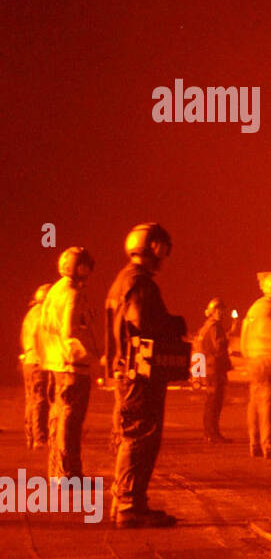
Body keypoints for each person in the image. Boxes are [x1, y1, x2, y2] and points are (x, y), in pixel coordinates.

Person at [106, 223, 187, 527]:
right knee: (141, 435)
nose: (165, 254)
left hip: (127, 371)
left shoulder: (123, 280)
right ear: (153, 247)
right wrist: (175, 324)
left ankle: (127, 501)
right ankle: (130, 505)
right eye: (163, 247)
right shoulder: (139, 282)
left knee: (132, 434)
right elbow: (143, 321)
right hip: (139, 373)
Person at [42, 247, 98, 479]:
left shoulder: (54, 291)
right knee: (71, 424)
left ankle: (58, 472)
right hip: (72, 366)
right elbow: (70, 331)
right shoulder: (73, 293)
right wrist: (95, 356)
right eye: (85, 266)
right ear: (79, 267)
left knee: (59, 420)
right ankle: (69, 476)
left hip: (56, 364)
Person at [240, 272, 271, 458]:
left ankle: (254, 443)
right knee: (268, 402)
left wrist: (248, 354)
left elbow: (245, 333)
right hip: (268, 359)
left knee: (254, 402)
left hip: (254, 359)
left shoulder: (255, 307)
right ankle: (269, 446)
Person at [20, 283, 54, 453]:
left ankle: (31, 436)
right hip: (38, 362)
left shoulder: (31, 313)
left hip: (29, 361)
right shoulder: (42, 314)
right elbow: (37, 338)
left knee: (32, 400)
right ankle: (40, 438)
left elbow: (25, 338)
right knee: (41, 400)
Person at [194, 299, 233, 443]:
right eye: (218, 310)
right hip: (215, 369)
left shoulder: (205, 327)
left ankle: (209, 433)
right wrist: (226, 340)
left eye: (222, 310)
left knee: (211, 402)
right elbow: (218, 347)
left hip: (209, 368)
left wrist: (198, 373)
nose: (221, 313)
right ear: (212, 311)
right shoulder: (214, 327)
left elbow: (199, 349)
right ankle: (213, 434)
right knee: (214, 403)